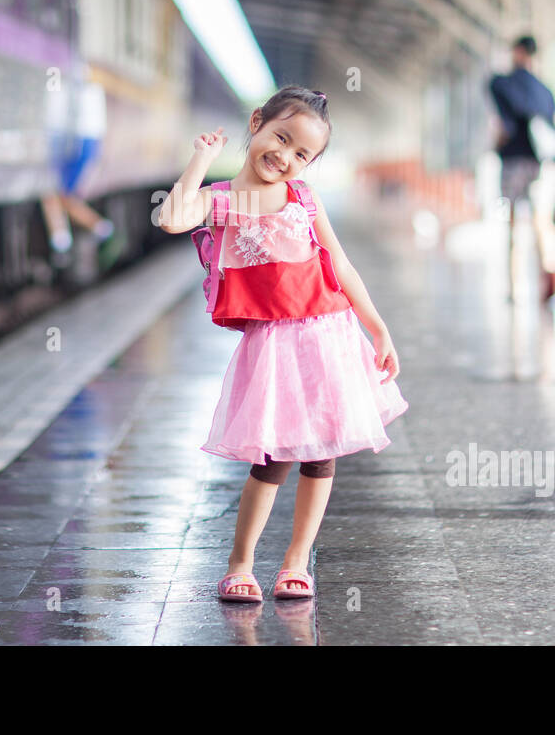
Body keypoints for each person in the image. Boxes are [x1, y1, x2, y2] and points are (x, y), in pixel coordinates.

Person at [156, 85, 408, 603]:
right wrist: (199, 161)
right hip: (274, 345)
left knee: (322, 457)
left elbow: (340, 265)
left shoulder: (305, 198)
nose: (285, 157)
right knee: (271, 459)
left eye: (302, 154)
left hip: (331, 339)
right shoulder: (223, 200)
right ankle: (241, 563)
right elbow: (172, 218)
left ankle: (296, 563)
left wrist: (377, 327)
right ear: (257, 123)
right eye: (281, 138)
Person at [489, 34, 555, 302]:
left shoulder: (503, 84)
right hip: (544, 164)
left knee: (513, 224)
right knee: (542, 222)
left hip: (513, 161)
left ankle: (515, 288)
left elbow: (497, 96)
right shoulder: (547, 92)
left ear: (517, 53)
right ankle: (550, 270)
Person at [41, 77, 125, 271]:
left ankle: (102, 233)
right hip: (81, 142)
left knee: (59, 197)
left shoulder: (73, 80)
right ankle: (64, 244)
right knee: (55, 196)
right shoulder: (85, 82)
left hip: (76, 142)